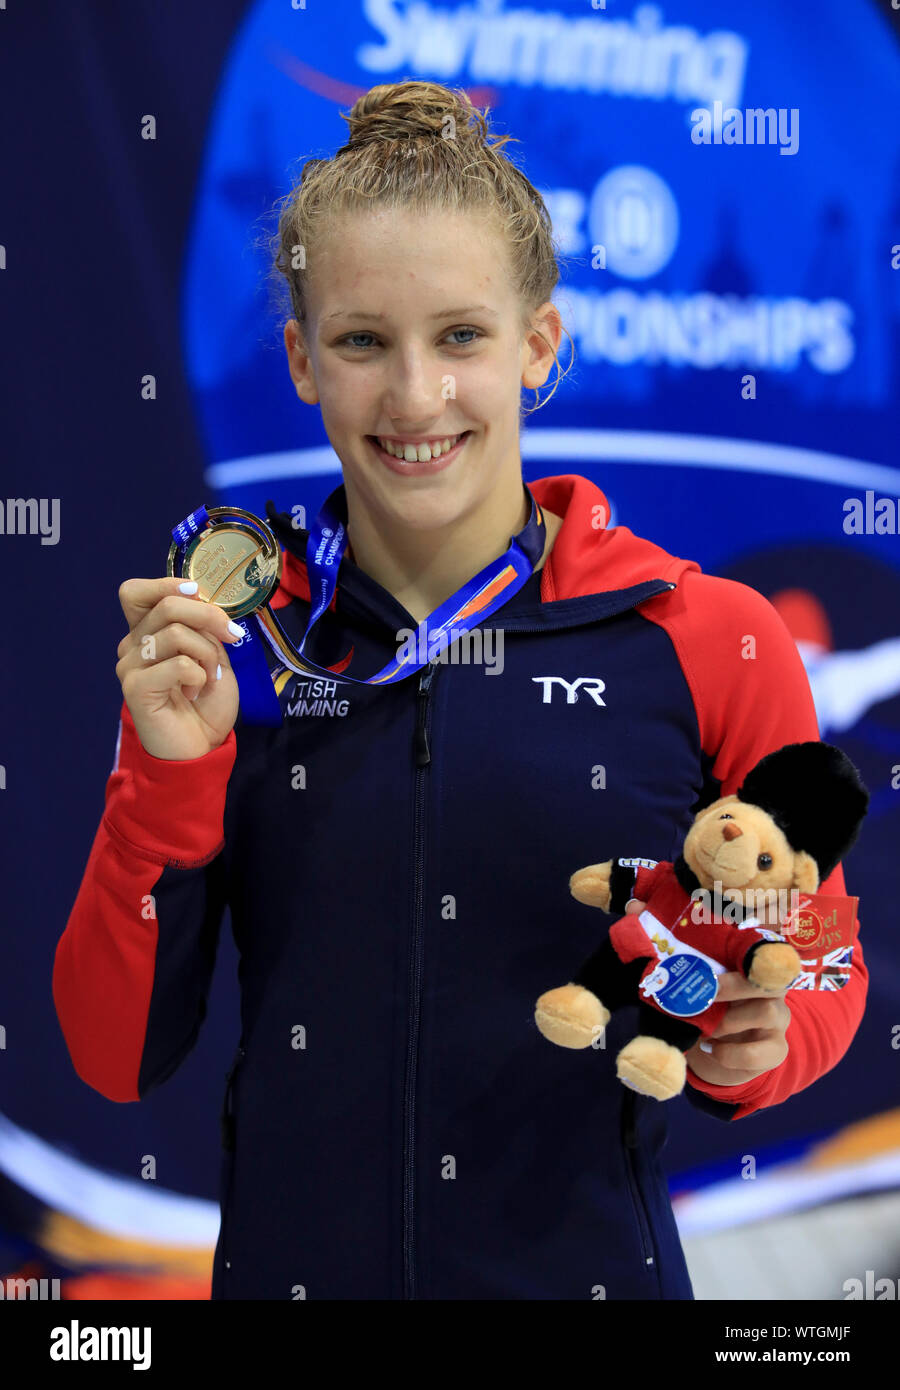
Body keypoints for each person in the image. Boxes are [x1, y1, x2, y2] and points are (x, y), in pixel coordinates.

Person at [52, 80, 867, 1301]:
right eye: (364, 341)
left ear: (540, 345)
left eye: (463, 338)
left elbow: (826, 965)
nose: (416, 397)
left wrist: (763, 1043)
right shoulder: (242, 637)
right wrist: (164, 772)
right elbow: (114, 1056)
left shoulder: (704, 636)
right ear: (301, 360)